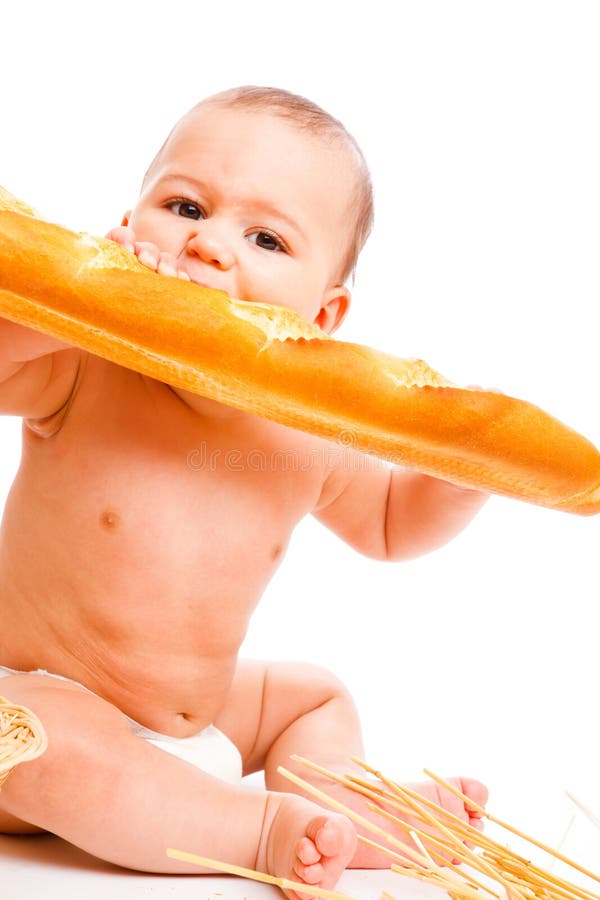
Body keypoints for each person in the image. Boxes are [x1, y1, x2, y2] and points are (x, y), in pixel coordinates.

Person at [0, 86, 488, 896]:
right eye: (184, 205)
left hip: (199, 715)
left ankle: (340, 802)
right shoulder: (83, 370)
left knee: (313, 695)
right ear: (130, 220)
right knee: (40, 744)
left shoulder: (305, 432)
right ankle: (253, 829)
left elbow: (394, 523)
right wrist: (77, 306)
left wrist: (463, 471)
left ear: (322, 317)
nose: (209, 246)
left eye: (264, 237)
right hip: (33, 703)